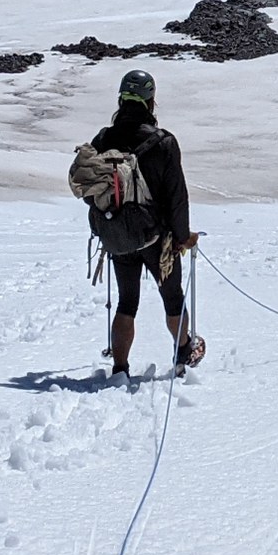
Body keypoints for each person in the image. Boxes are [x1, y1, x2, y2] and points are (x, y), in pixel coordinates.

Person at [91, 69, 199, 379]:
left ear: (121, 99)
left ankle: (120, 367)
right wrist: (181, 237)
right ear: (151, 102)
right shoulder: (163, 142)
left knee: (127, 302)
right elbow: (177, 196)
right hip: (157, 239)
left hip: (119, 236)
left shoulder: (103, 140)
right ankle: (183, 354)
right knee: (173, 298)